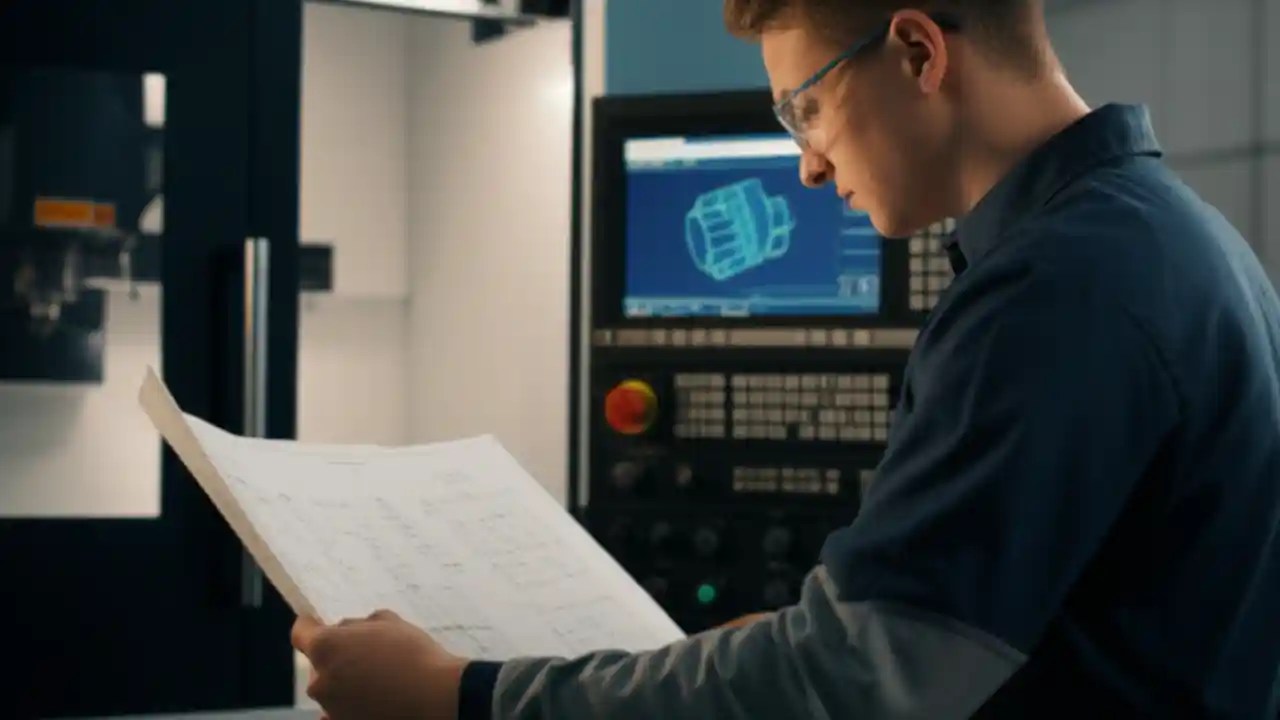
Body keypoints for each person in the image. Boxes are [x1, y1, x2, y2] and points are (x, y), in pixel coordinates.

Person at [290, 1, 1280, 717]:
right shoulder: (1170, 238)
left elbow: (862, 681)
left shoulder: (1052, 289)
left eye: (805, 108)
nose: (806, 164)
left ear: (914, 50)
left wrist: (459, 697)